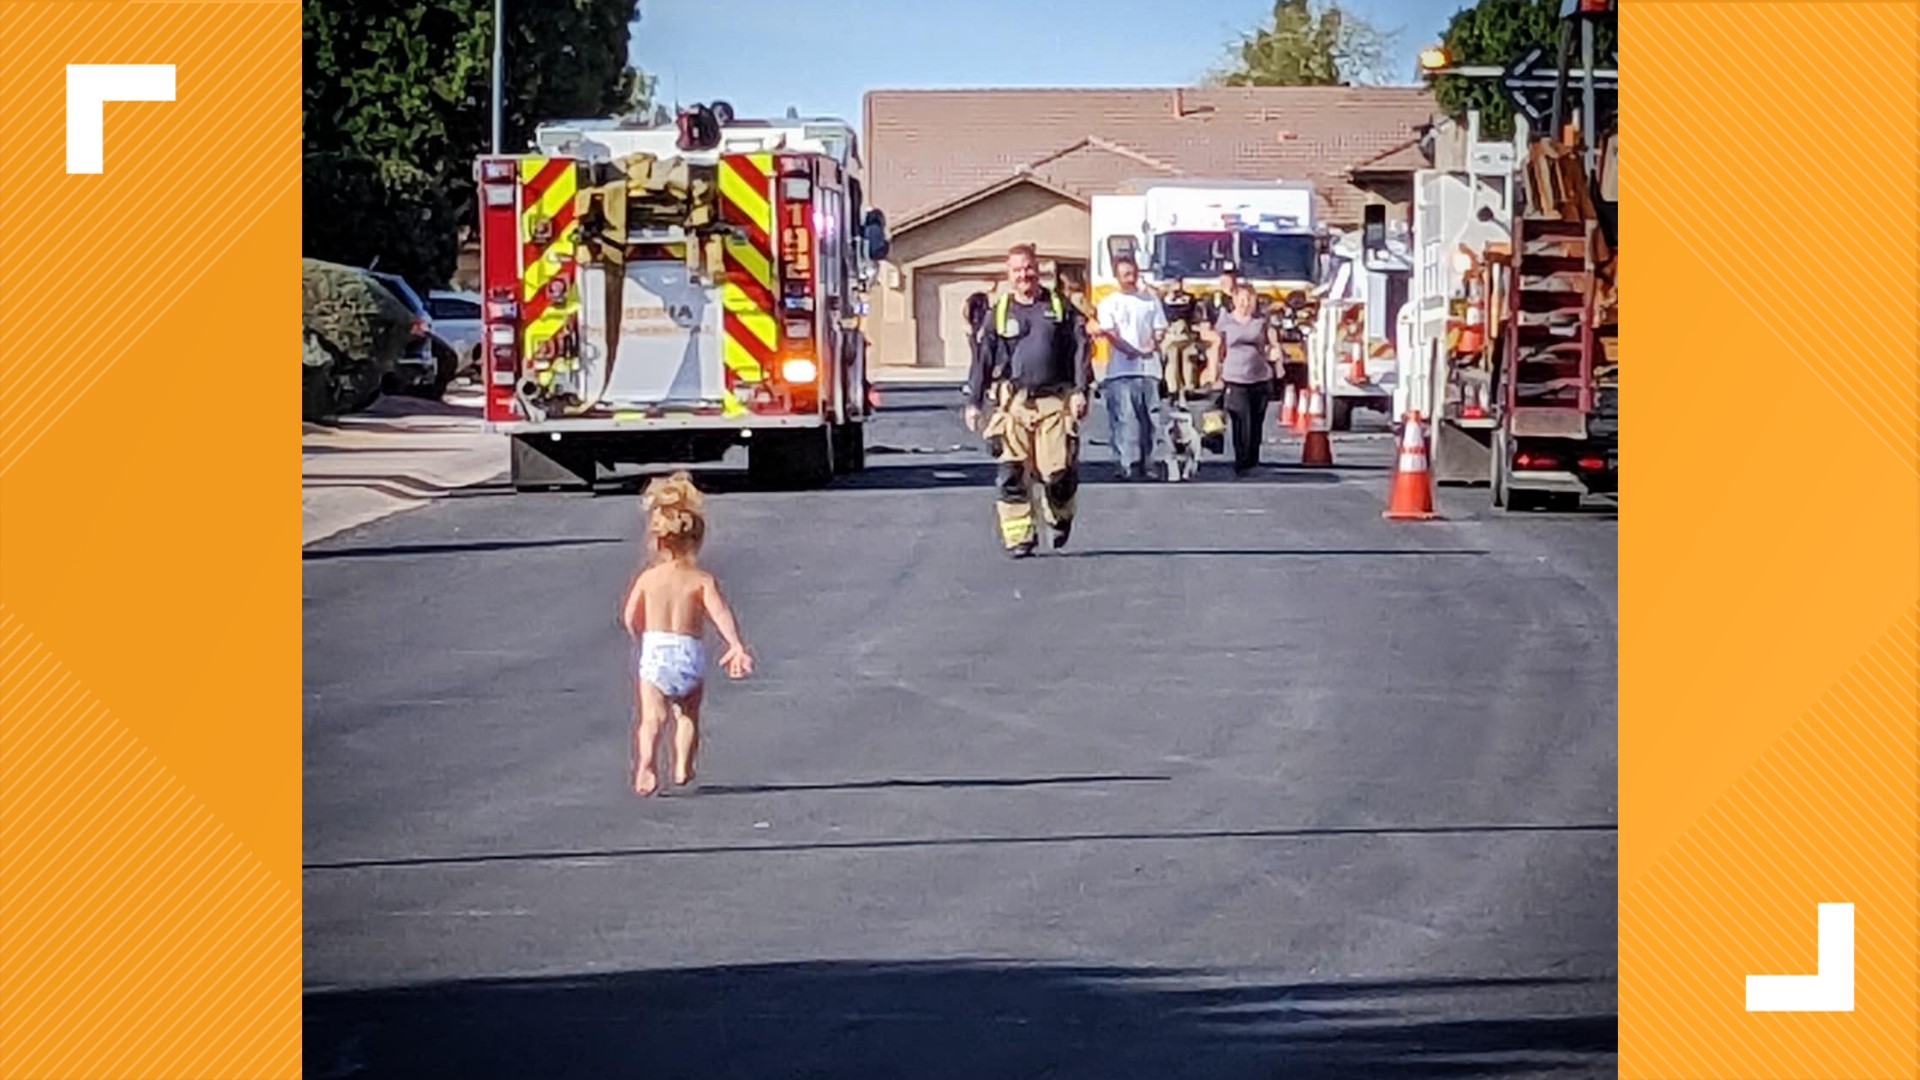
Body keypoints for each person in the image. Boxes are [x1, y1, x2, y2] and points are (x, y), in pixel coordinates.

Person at [619, 472, 753, 795]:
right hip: (687, 651)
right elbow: (719, 612)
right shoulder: (701, 580)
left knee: (651, 718)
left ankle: (646, 766)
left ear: (656, 540)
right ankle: (683, 766)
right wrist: (735, 645)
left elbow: (629, 616)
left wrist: (639, 634)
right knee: (688, 715)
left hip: (655, 651)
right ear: (696, 540)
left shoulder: (648, 579)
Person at [964, 244, 1092, 557]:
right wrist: (974, 401)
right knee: (1011, 473)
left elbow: (1080, 349)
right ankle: (1020, 536)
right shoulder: (1000, 312)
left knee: (1057, 474)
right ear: (1009, 275)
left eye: (1029, 268)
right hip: (1014, 404)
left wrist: (1080, 390)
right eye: (1017, 270)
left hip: (1053, 403)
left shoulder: (1059, 307)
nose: (1024, 275)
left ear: (1038, 270)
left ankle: (1060, 517)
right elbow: (983, 359)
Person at [1093, 256, 1168, 481]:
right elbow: (1110, 332)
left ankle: (1149, 463)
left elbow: (1160, 328)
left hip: (1149, 370)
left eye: (1133, 273)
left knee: (1151, 419)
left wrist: (1152, 344)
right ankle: (1123, 465)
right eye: (1125, 274)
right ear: (1117, 277)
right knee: (1123, 419)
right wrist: (1130, 350)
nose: (1131, 278)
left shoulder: (1151, 301)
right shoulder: (1109, 303)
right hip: (1120, 371)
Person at [1203, 282, 1283, 476]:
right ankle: (1242, 461)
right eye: (1241, 299)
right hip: (1234, 377)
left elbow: (1273, 344)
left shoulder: (1261, 322)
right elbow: (1217, 347)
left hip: (1260, 377)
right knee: (1241, 419)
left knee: (1256, 421)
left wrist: (1278, 362)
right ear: (1234, 301)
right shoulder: (1226, 322)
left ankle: (1253, 460)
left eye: (1249, 300)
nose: (1245, 303)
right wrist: (1213, 372)